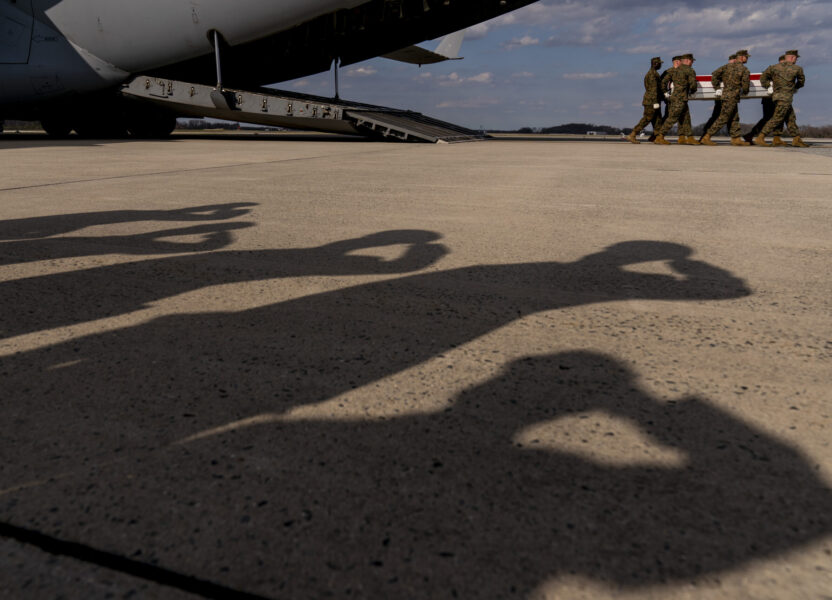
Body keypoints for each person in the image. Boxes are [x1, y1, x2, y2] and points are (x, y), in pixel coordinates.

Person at [754, 50, 808, 147]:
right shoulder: (797, 68)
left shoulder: (774, 67)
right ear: (792, 58)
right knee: (777, 118)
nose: (796, 60)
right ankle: (760, 137)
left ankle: (796, 139)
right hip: (786, 97)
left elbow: (763, 78)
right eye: (796, 58)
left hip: (776, 96)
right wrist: (794, 87)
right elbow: (801, 82)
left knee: (790, 117)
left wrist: (768, 86)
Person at [701, 50, 751, 146]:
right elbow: (745, 86)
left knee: (734, 117)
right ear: (741, 57)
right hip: (733, 96)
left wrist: (717, 88)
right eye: (746, 57)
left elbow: (714, 75)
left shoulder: (726, 67)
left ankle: (736, 138)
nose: (747, 59)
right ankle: (707, 136)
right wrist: (744, 91)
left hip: (726, 95)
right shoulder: (744, 70)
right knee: (724, 118)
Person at [655, 53, 698, 145]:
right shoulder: (689, 70)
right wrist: (693, 91)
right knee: (672, 118)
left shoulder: (674, 70)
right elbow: (693, 85)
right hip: (681, 98)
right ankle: (660, 136)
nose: (692, 63)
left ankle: (690, 137)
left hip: (675, 97)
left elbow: (663, 82)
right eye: (691, 61)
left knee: (686, 118)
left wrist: (665, 92)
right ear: (687, 60)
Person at [745, 55, 788, 146]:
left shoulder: (783, 70)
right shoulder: (773, 69)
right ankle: (752, 135)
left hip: (776, 98)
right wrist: (769, 86)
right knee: (769, 118)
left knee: (777, 118)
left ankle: (776, 138)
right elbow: (763, 79)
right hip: (769, 98)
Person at [627, 57, 664, 143]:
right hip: (651, 101)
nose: (660, 65)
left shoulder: (654, 73)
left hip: (653, 100)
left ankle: (657, 137)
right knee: (647, 118)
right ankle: (633, 134)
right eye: (659, 63)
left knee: (658, 119)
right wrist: (655, 102)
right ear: (655, 64)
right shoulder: (652, 74)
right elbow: (653, 89)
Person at [702, 53, 736, 137]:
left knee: (733, 116)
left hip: (731, 96)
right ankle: (705, 135)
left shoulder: (732, 69)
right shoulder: (725, 68)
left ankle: (735, 137)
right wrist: (717, 88)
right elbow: (714, 76)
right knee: (719, 116)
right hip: (723, 97)